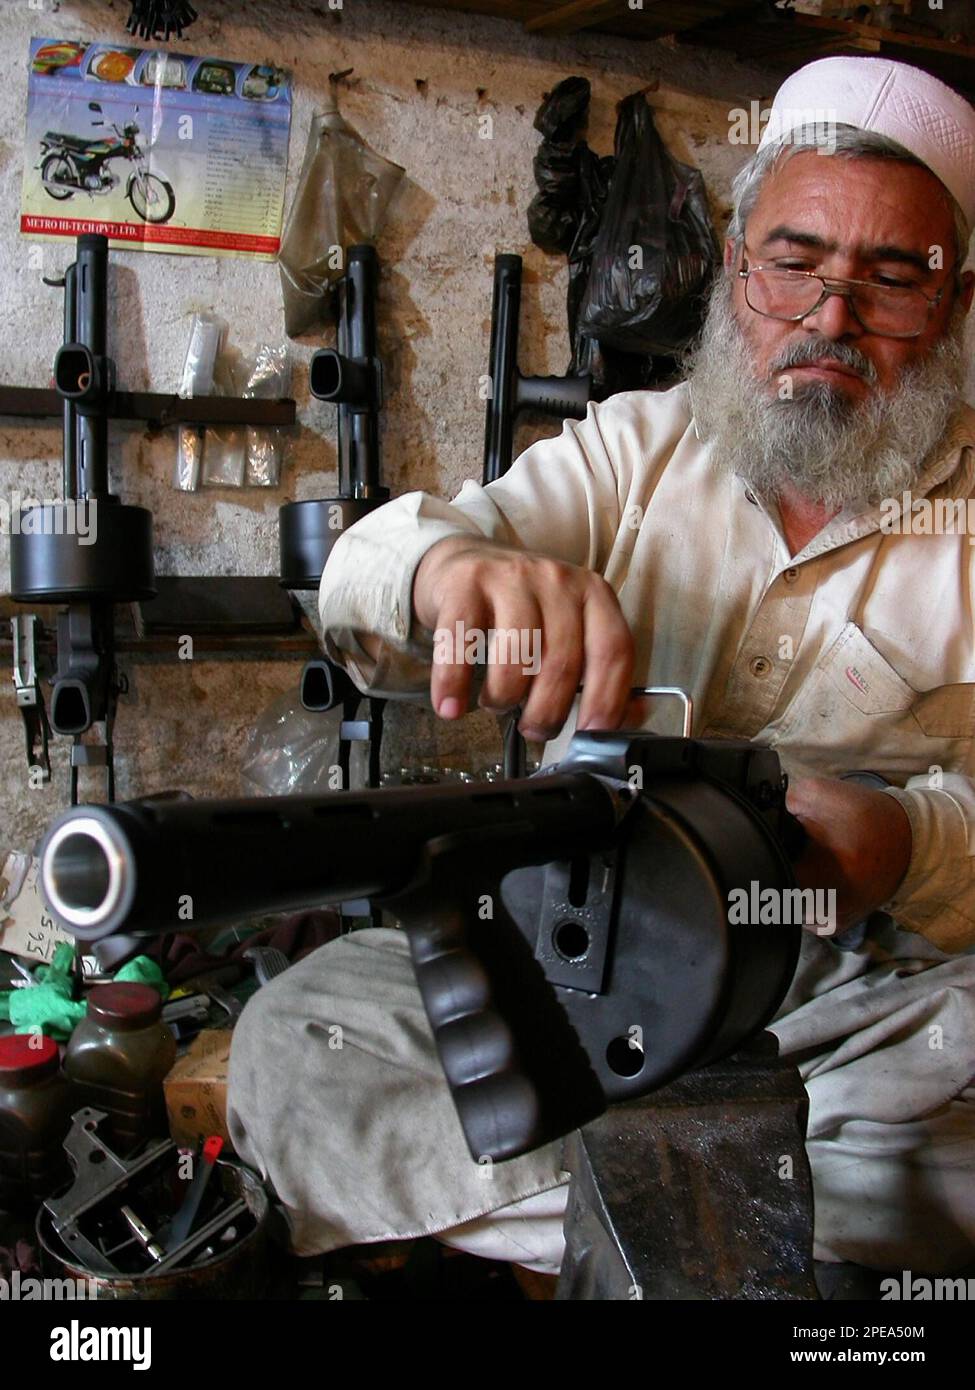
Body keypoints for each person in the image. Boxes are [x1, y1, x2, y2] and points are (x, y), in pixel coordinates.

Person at [227, 55, 975, 1284]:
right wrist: (444, 578)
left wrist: (908, 842)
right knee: (297, 1048)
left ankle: (653, 1198)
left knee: (950, 1133)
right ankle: (733, 1217)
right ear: (739, 274)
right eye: (796, 262)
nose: (830, 318)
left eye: (891, 281)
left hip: (846, 992)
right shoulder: (636, 450)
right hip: (575, 939)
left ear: (950, 306)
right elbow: (362, 576)